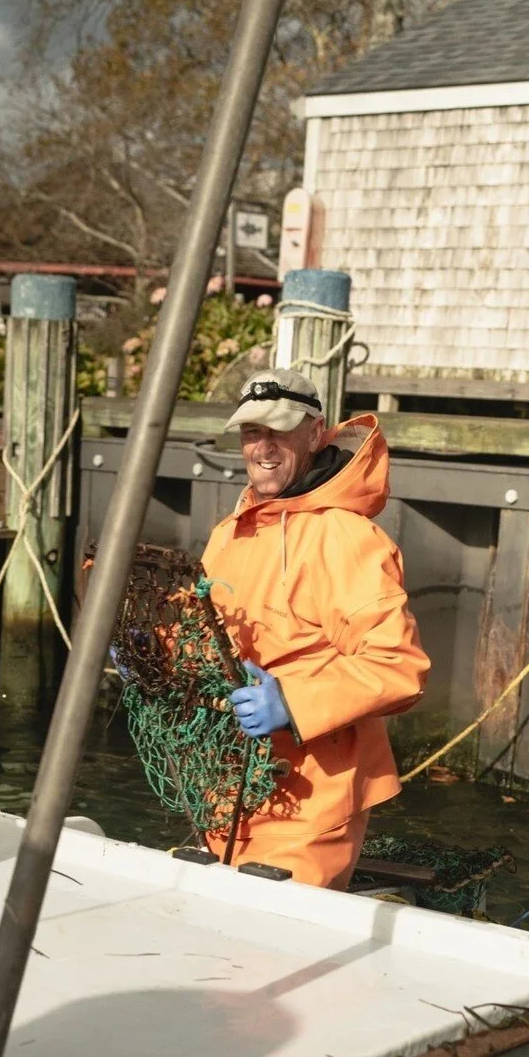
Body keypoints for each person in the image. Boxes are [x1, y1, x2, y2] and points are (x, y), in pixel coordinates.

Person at [199, 365, 428, 889]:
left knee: (282, 950)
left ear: (315, 431)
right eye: (252, 433)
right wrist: (154, 649)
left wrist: (293, 704)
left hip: (313, 801)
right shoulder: (230, 533)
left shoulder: (347, 537)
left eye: (278, 431)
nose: (264, 448)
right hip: (227, 787)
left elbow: (400, 666)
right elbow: (210, 636)